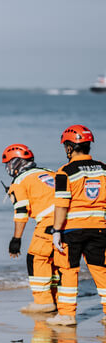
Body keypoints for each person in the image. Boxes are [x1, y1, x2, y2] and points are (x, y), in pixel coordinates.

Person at [47, 125, 106, 326]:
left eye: (66, 146)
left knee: (69, 271)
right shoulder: (104, 168)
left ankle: (67, 315)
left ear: (70, 147)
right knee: (101, 270)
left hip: (72, 230)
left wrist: (56, 231)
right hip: (99, 227)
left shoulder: (65, 172)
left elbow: (62, 205)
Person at [2, 143, 58, 313]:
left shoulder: (20, 181)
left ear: (15, 163)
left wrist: (16, 239)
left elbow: (21, 212)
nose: (7, 168)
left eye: (8, 164)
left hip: (49, 222)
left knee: (36, 258)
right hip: (72, 221)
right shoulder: (49, 172)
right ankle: (56, 298)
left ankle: (43, 302)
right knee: (56, 261)